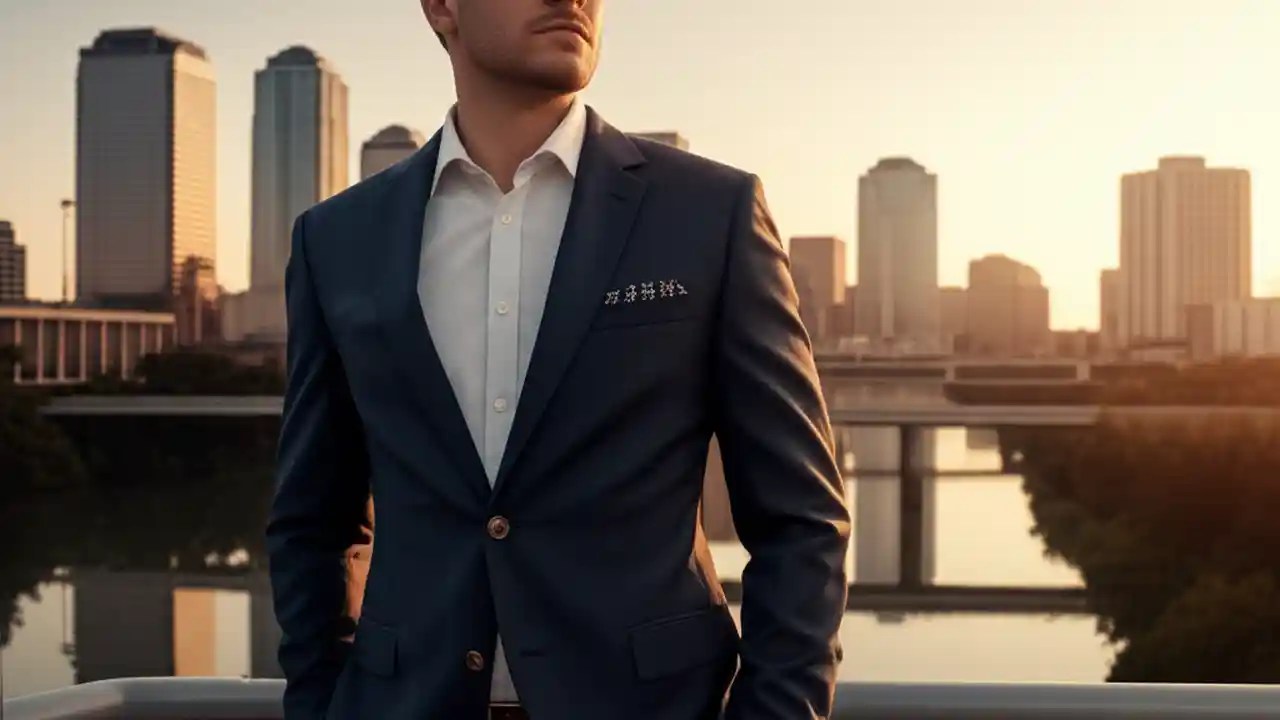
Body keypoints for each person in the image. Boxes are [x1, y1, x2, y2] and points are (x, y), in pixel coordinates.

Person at [265, 0, 850, 717]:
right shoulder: (338, 239)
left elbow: (802, 520)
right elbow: (313, 522)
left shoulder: (708, 212)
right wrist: (323, 701)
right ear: (442, 7)